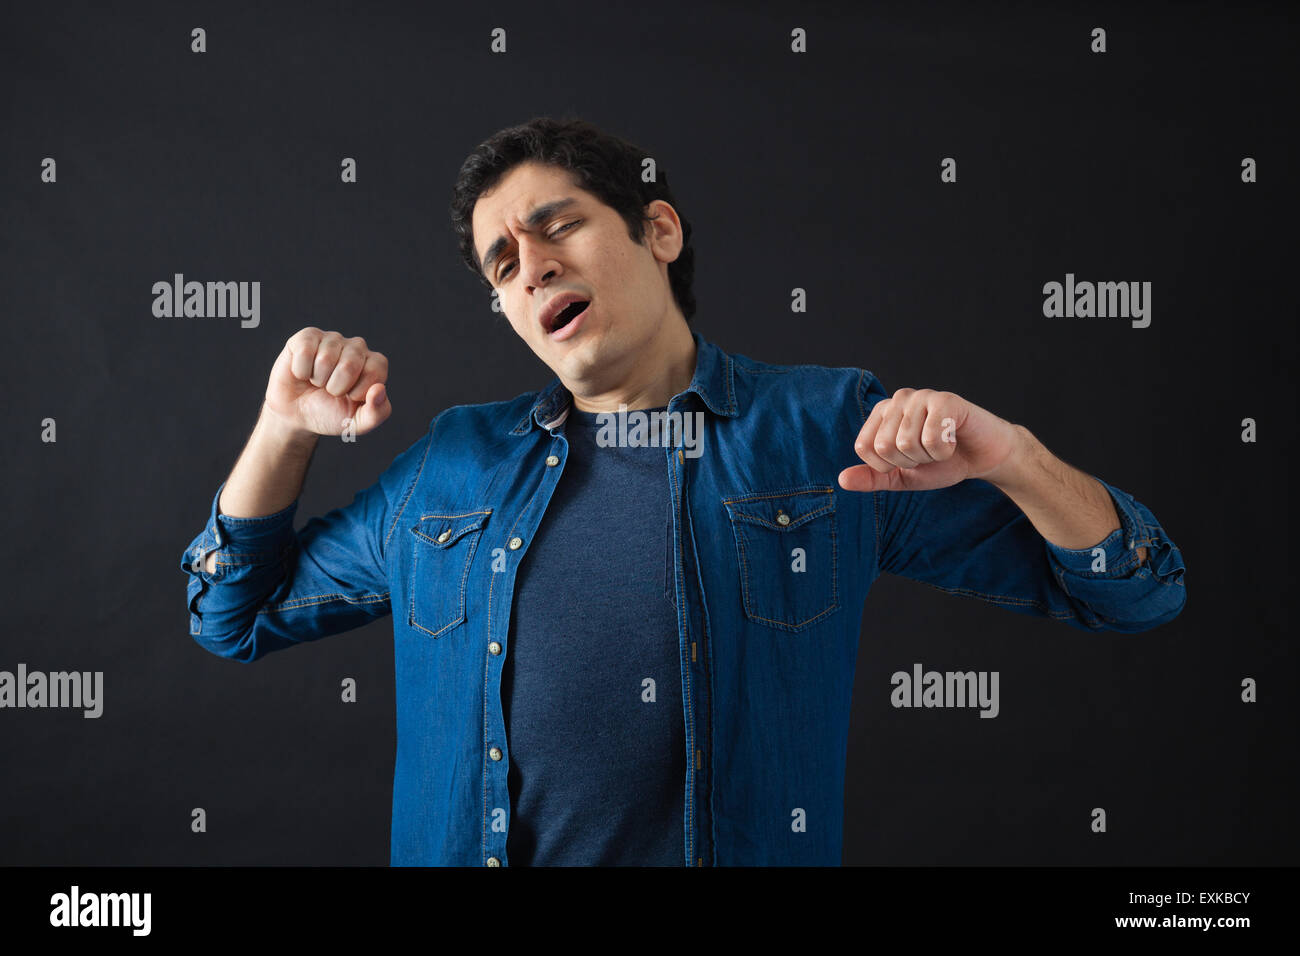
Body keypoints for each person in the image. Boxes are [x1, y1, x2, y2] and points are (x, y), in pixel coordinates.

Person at [180, 116, 1187, 867]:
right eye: (502, 263)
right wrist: (279, 427)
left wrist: (1012, 455)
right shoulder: (453, 463)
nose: (530, 269)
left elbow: (1132, 588)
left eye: (556, 226)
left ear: (657, 228)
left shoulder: (826, 434)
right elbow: (232, 612)